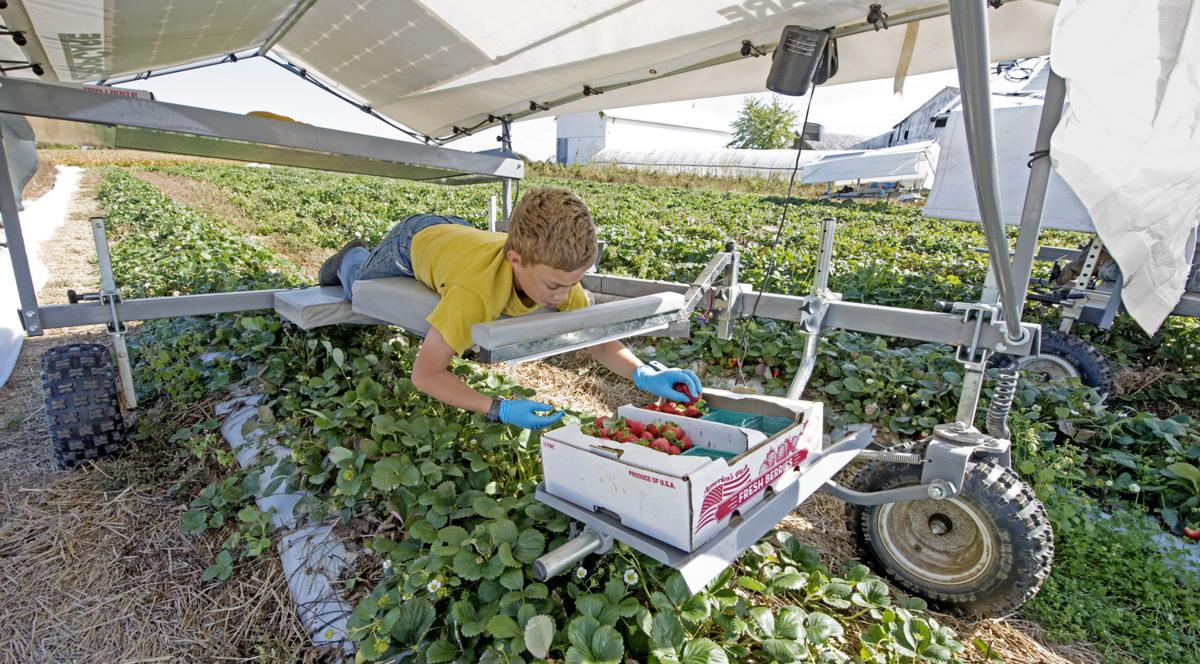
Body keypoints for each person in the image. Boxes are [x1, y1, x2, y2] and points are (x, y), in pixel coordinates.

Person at [318, 187, 702, 430]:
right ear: (516, 259)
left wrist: (643, 374)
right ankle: (351, 255)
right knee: (360, 287)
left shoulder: (560, 279)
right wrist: (497, 407)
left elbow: (597, 341)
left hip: (459, 233)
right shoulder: (475, 292)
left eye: (573, 284)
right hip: (413, 240)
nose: (564, 296)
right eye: (554, 286)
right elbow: (426, 374)